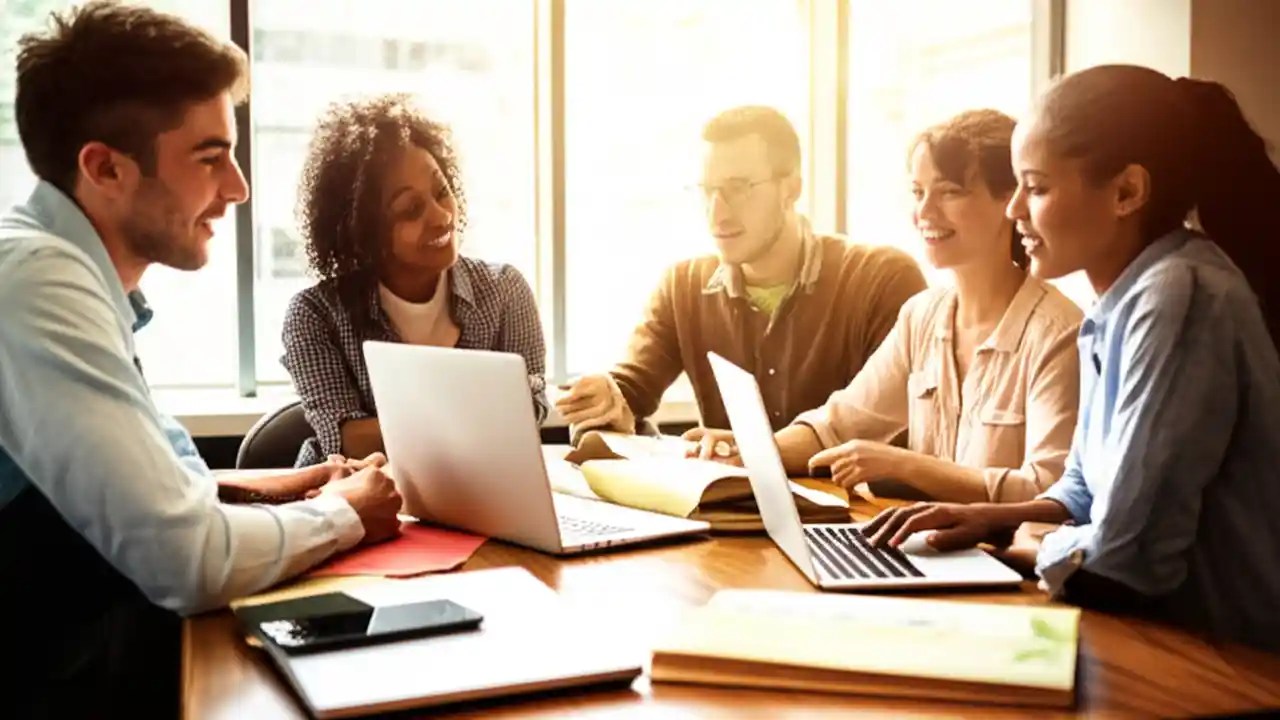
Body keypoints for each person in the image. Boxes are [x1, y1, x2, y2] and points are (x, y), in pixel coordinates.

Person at [0, 4, 401, 715]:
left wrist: (292, 486)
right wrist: (342, 512)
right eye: (211, 158)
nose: (238, 188)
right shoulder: (38, 284)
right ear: (105, 167)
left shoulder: (63, 272)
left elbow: (143, 485)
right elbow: (185, 560)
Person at [866, 65, 1280, 651]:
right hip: (1151, 630)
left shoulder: (1179, 297)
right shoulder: (1118, 302)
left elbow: (1126, 554)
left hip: (1221, 659)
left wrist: (1034, 548)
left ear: (1126, 192)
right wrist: (990, 517)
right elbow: (1084, 486)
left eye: (1034, 188)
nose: (1014, 209)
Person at [694, 110, 1082, 504]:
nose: (925, 212)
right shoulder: (922, 317)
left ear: (1010, 200)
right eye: (918, 192)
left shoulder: (1058, 334)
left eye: (949, 192)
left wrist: (904, 465)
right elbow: (838, 426)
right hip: (924, 539)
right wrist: (751, 452)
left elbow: (1047, 490)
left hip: (1008, 546)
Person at [556, 105, 926, 440]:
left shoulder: (881, 280)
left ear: (791, 189)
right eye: (707, 191)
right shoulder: (682, 287)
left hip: (848, 497)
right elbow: (631, 388)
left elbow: (900, 435)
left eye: (738, 189)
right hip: (729, 496)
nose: (717, 214)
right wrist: (606, 398)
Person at [282, 94, 548, 466]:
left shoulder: (505, 290)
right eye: (411, 209)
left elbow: (528, 413)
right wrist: (478, 418)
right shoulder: (316, 314)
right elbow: (347, 441)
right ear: (364, 230)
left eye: (441, 192)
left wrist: (409, 427)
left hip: (476, 489)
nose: (441, 217)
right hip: (352, 496)